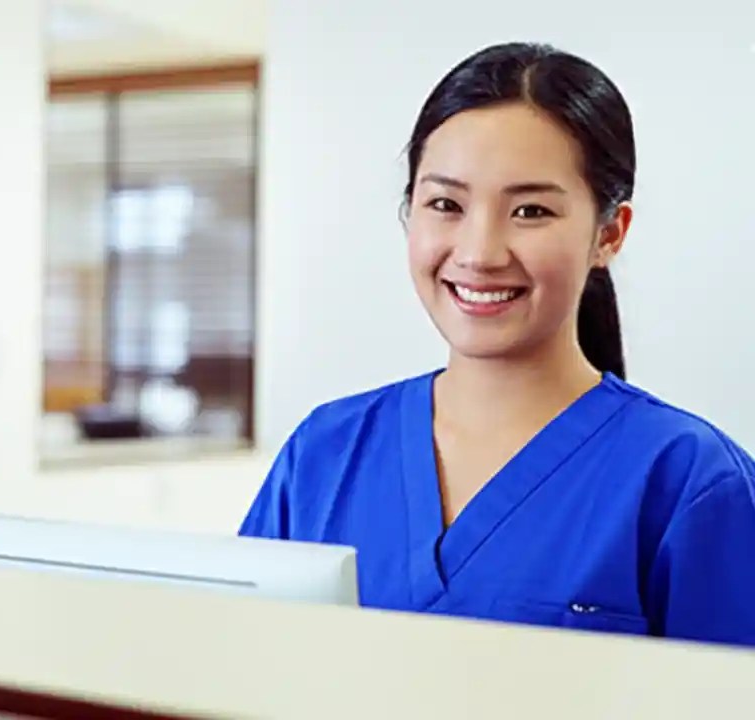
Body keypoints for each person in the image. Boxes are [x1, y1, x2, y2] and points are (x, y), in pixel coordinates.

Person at [240, 42, 755, 645]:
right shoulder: (323, 456)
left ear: (608, 234)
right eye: (445, 204)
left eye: (531, 210)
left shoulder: (690, 480)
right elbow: (235, 667)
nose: (480, 252)